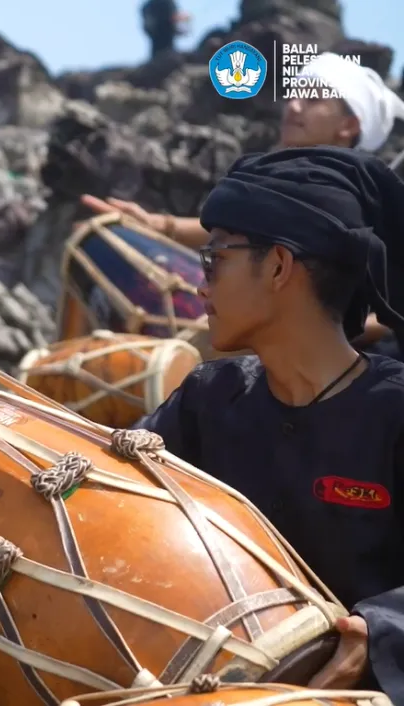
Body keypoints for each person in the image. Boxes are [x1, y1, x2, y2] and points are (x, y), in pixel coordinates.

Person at [133, 146, 404, 700]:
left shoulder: (393, 412)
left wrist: (378, 633)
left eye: (214, 261)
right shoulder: (207, 400)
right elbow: (120, 499)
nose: (198, 285)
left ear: (279, 266)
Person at [83, 52, 404, 351]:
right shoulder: (272, 177)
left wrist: (336, 330)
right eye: (292, 96)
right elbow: (243, 229)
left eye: (313, 100)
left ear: (349, 125)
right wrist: (155, 226)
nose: (293, 107)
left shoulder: (365, 203)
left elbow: (386, 311)